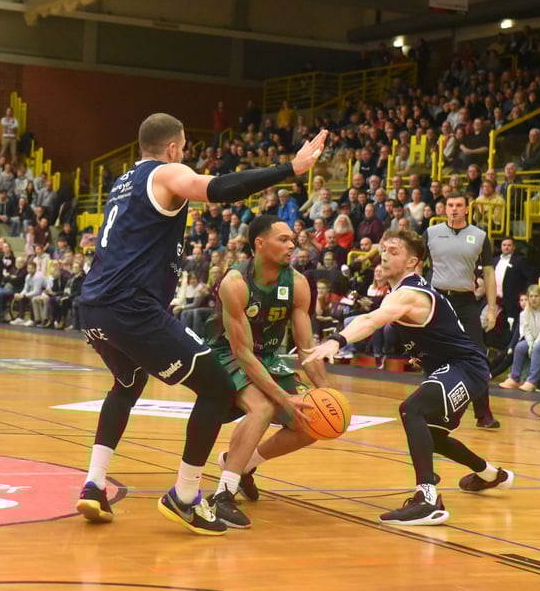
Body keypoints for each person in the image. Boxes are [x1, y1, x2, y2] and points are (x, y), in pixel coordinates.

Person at [75, 113, 326, 535]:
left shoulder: (124, 181)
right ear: (174, 148)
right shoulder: (168, 172)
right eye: (186, 147)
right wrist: (290, 169)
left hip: (92, 305)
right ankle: (186, 495)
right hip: (130, 307)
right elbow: (218, 189)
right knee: (216, 385)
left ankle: (94, 484)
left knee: (127, 384)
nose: (186, 156)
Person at [306, 229, 513, 526]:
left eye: (394, 251)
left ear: (412, 262)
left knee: (411, 409)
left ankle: (427, 499)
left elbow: (371, 320)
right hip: (449, 367)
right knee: (433, 438)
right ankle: (491, 475)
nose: (385, 255)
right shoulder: (398, 292)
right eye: (384, 250)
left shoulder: (411, 294)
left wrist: (336, 340)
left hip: (466, 367)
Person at [204, 215, 326, 528]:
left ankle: (244, 466)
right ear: (260, 243)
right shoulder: (236, 283)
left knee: (313, 422)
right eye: (283, 239)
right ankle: (222, 496)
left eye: (292, 239)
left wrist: (327, 393)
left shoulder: (297, 283)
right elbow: (242, 354)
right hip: (228, 355)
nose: (292, 244)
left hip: (270, 357)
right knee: (263, 406)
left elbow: (307, 350)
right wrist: (284, 399)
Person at [422, 192, 501, 429]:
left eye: (459, 205)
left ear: (467, 209)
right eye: (450, 205)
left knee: (477, 356)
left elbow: (488, 273)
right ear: (444, 209)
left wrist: (491, 308)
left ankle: (483, 414)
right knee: (433, 355)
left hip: (466, 302)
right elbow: (415, 264)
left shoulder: (479, 236)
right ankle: (431, 410)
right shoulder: (431, 233)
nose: (454, 209)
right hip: (437, 300)